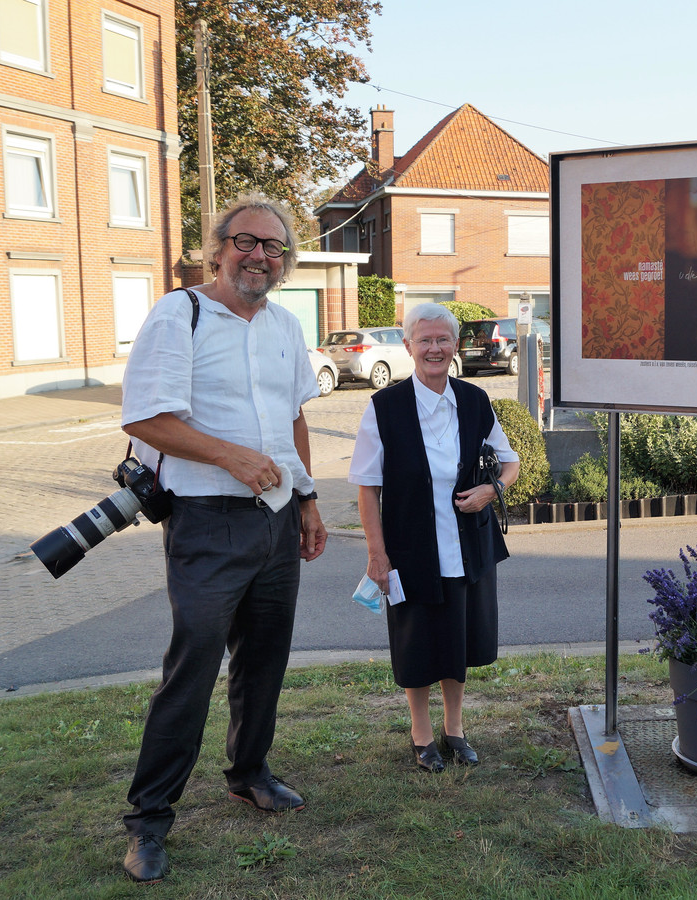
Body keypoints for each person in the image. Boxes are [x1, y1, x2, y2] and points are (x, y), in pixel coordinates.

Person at [118, 193, 328, 883]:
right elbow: (145, 418)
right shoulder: (178, 314)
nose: (259, 256)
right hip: (207, 521)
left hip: (275, 518)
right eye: (246, 241)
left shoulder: (285, 325)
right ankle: (149, 820)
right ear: (217, 250)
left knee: (264, 659)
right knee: (194, 664)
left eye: (273, 247)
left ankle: (249, 773)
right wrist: (230, 457)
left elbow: (292, 419)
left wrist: (306, 500)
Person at [348, 302, 520, 773]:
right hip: (410, 548)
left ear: (455, 345)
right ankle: (421, 734)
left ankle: (455, 729)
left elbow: (510, 462)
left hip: (467, 546)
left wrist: (492, 490)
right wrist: (377, 554)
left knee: (457, 639)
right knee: (417, 642)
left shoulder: (474, 400)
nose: (434, 348)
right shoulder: (385, 408)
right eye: (424, 340)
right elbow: (367, 487)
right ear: (408, 346)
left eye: (443, 339)